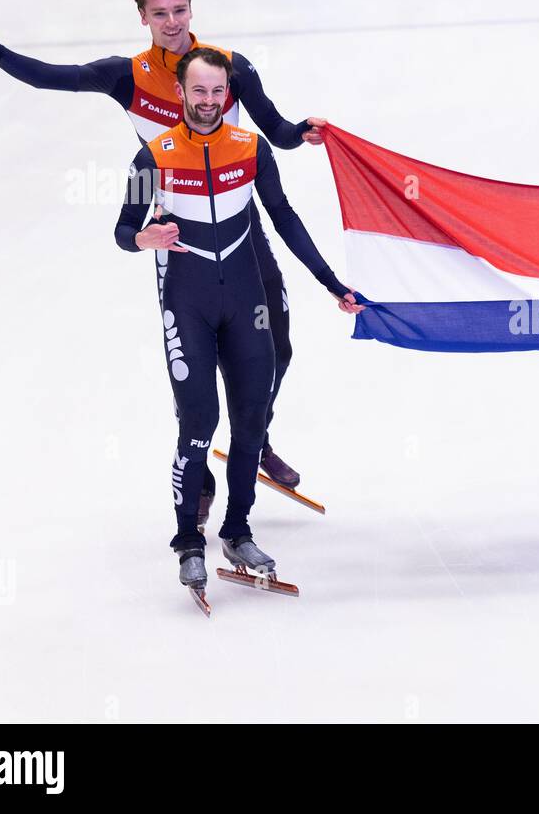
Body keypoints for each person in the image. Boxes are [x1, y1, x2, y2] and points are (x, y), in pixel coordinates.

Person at [0, 0, 321, 515]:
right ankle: (199, 477)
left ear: (192, 10)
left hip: (239, 228)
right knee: (192, 365)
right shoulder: (127, 76)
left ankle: (255, 436)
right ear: (142, 17)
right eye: (159, 13)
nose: (171, 23)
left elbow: (276, 131)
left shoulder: (226, 69)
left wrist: (302, 132)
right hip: (178, 235)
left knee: (276, 345)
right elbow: (52, 76)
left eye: (179, 11)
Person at [116, 48, 361, 596]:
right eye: (198, 91)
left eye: (217, 92)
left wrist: (332, 283)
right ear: (180, 93)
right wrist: (142, 237)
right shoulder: (151, 157)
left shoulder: (251, 148)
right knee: (198, 425)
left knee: (250, 422)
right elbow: (122, 228)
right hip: (190, 306)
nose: (208, 101)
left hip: (246, 303)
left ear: (228, 94)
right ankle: (187, 543)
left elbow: (286, 219)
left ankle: (237, 530)